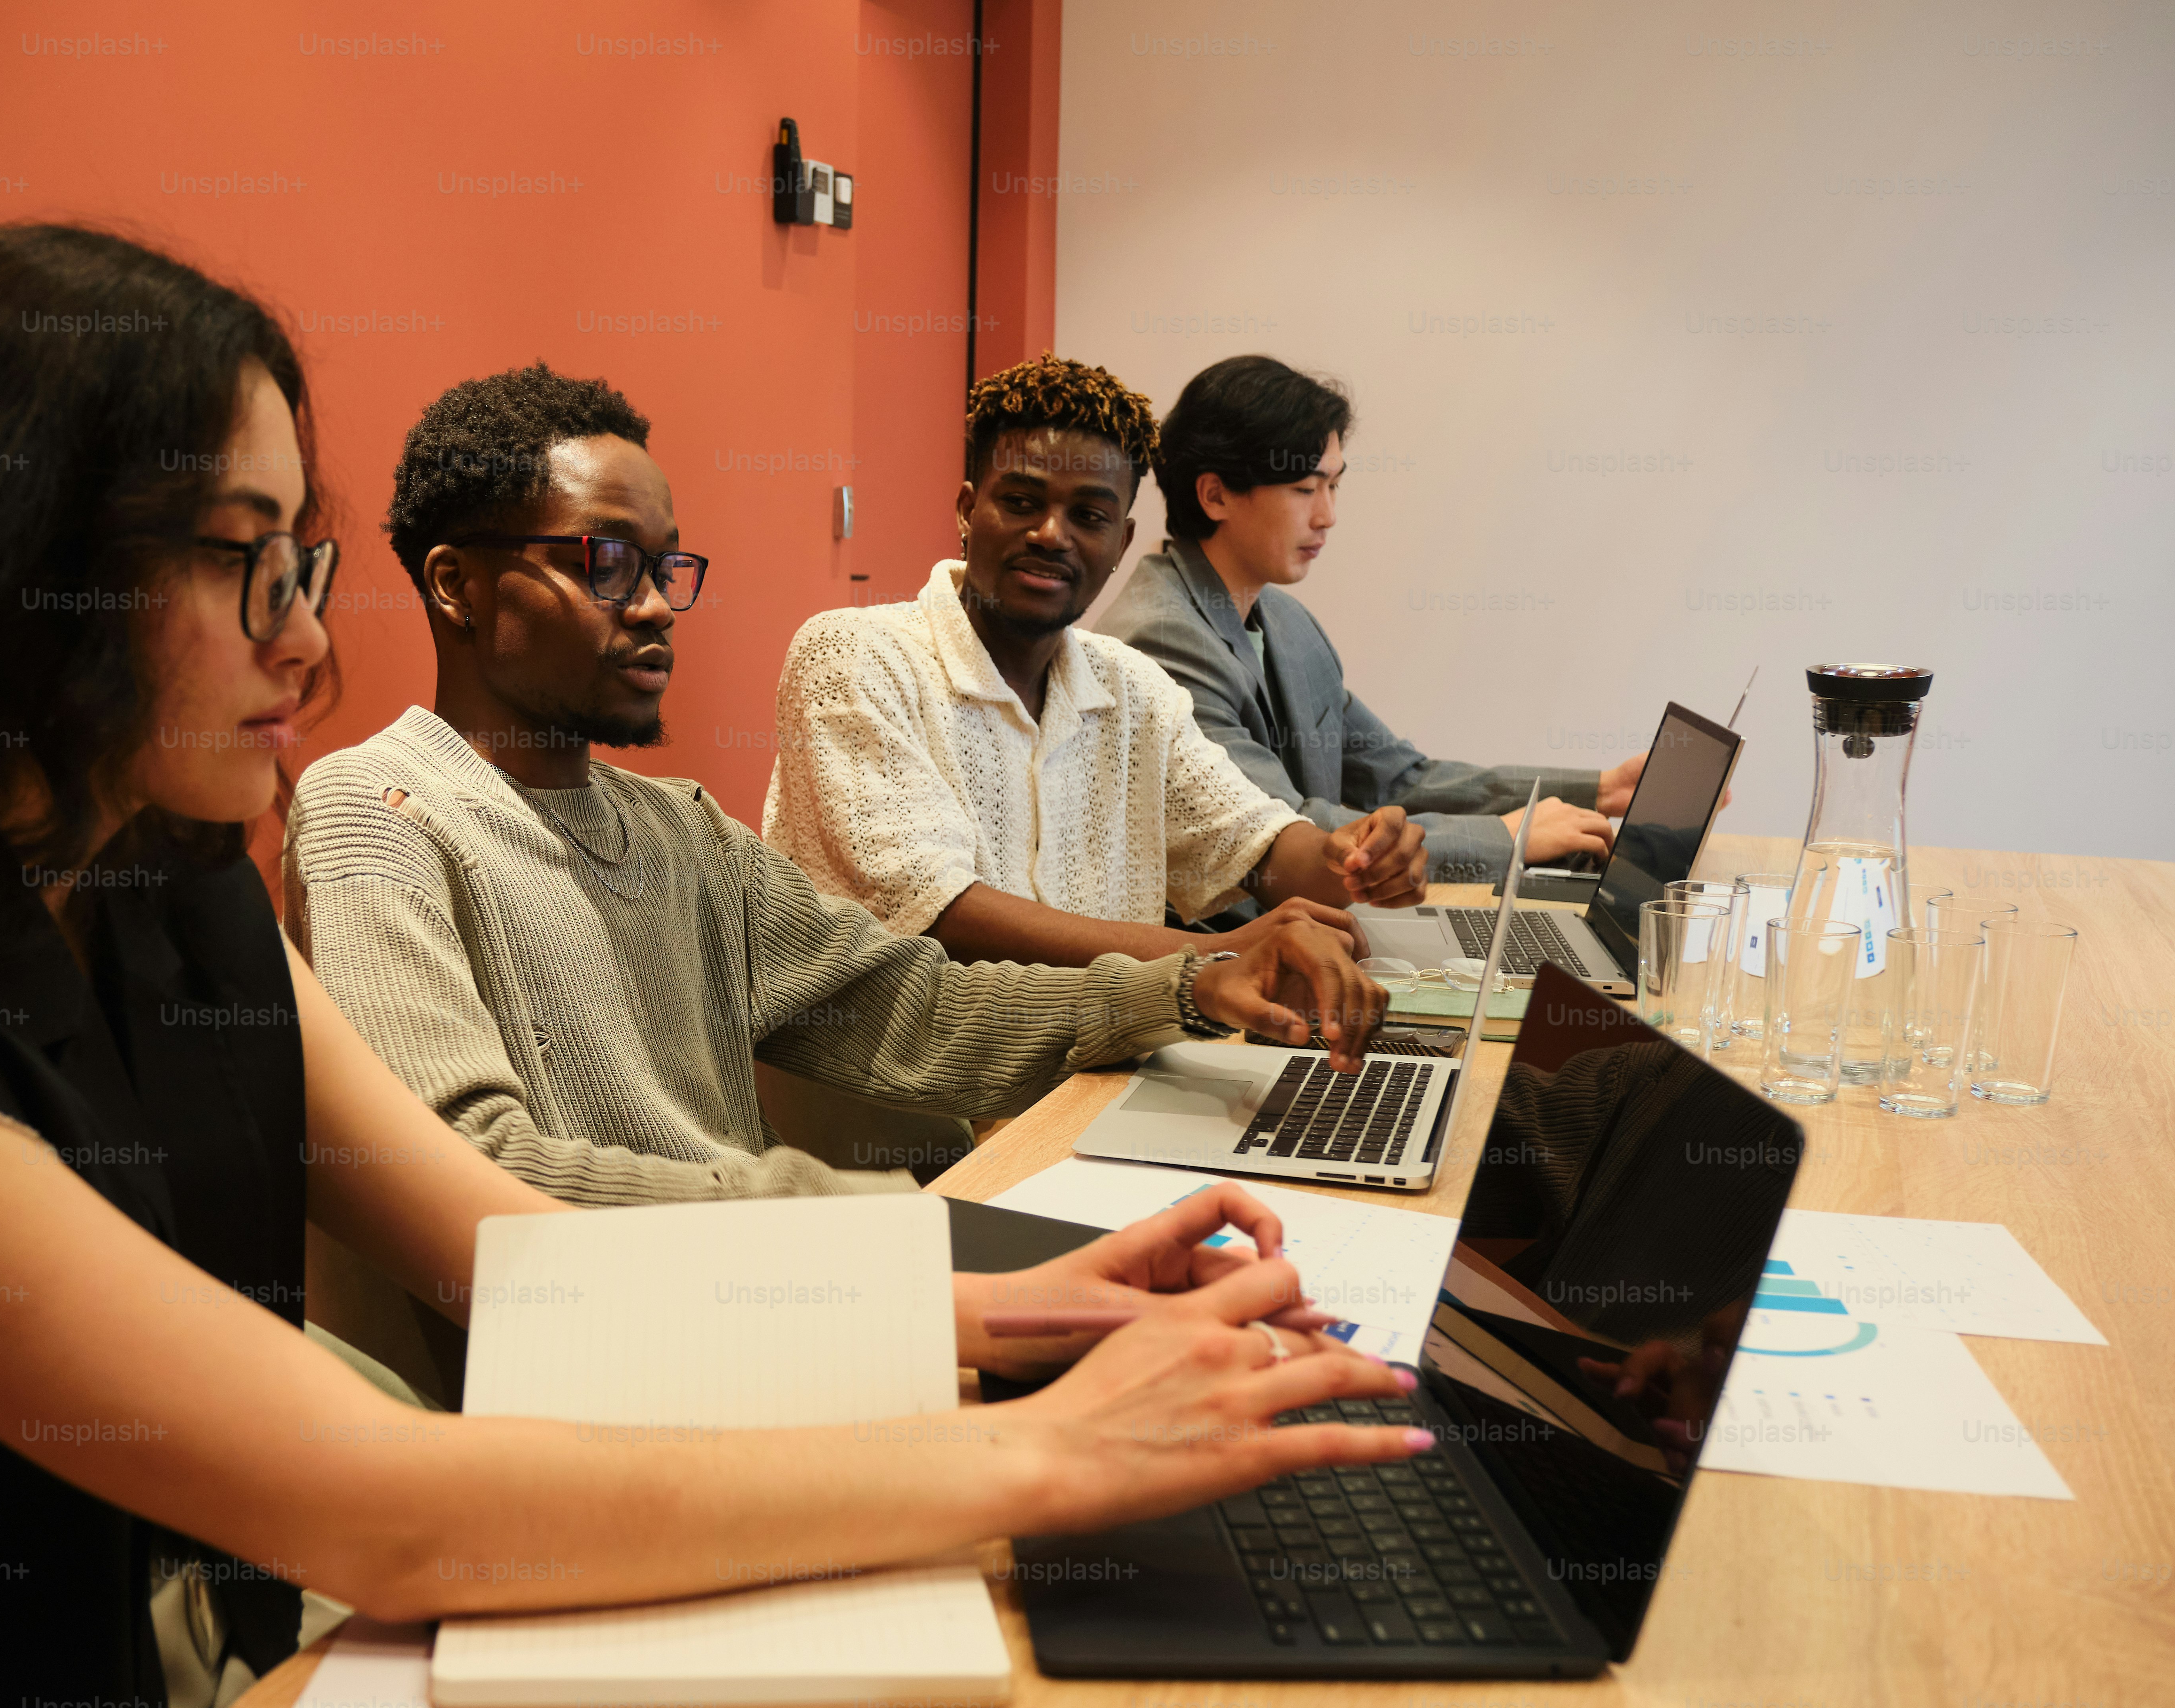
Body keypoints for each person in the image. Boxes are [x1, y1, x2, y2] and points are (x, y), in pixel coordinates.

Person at [0, 229, 1424, 1708]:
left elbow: (511, 1241)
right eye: (249, 566)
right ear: (5, 577)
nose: (309, 641)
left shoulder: (163, 887)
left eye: (301, 564)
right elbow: (373, 1500)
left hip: (283, 1692)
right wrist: (1043, 1465)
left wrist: (1006, 1305)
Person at [283, 364, 1395, 1218]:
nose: (660, 606)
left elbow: (923, 1010)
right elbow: (478, 1175)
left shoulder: (683, 834)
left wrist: (1191, 987)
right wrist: (884, 1221)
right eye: (605, 563)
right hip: (589, 1382)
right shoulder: (378, 813)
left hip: (780, 1297)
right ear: (455, 586)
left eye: (666, 567)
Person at [765, 354, 1429, 982]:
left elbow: (1253, 848)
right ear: (968, 511)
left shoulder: (1133, 689)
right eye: (1022, 502)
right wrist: (1215, 957)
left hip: (1093, 1067)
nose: (1053, 534)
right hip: (917, 1093)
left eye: (1088, 515)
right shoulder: (854, 655)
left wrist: (1354, 860)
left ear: (1121, 543)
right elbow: (937, 915)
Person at [1092, 355, 1646, 890]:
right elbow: (1285, 831)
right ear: (1215, 495)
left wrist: (1600, 790)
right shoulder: (1160, 641)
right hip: (1220, 954)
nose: (1328, 515)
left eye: (1335, 486)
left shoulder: (1283, 619)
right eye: (1306, 489)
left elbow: (1400, 778)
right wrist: (1505, 840)